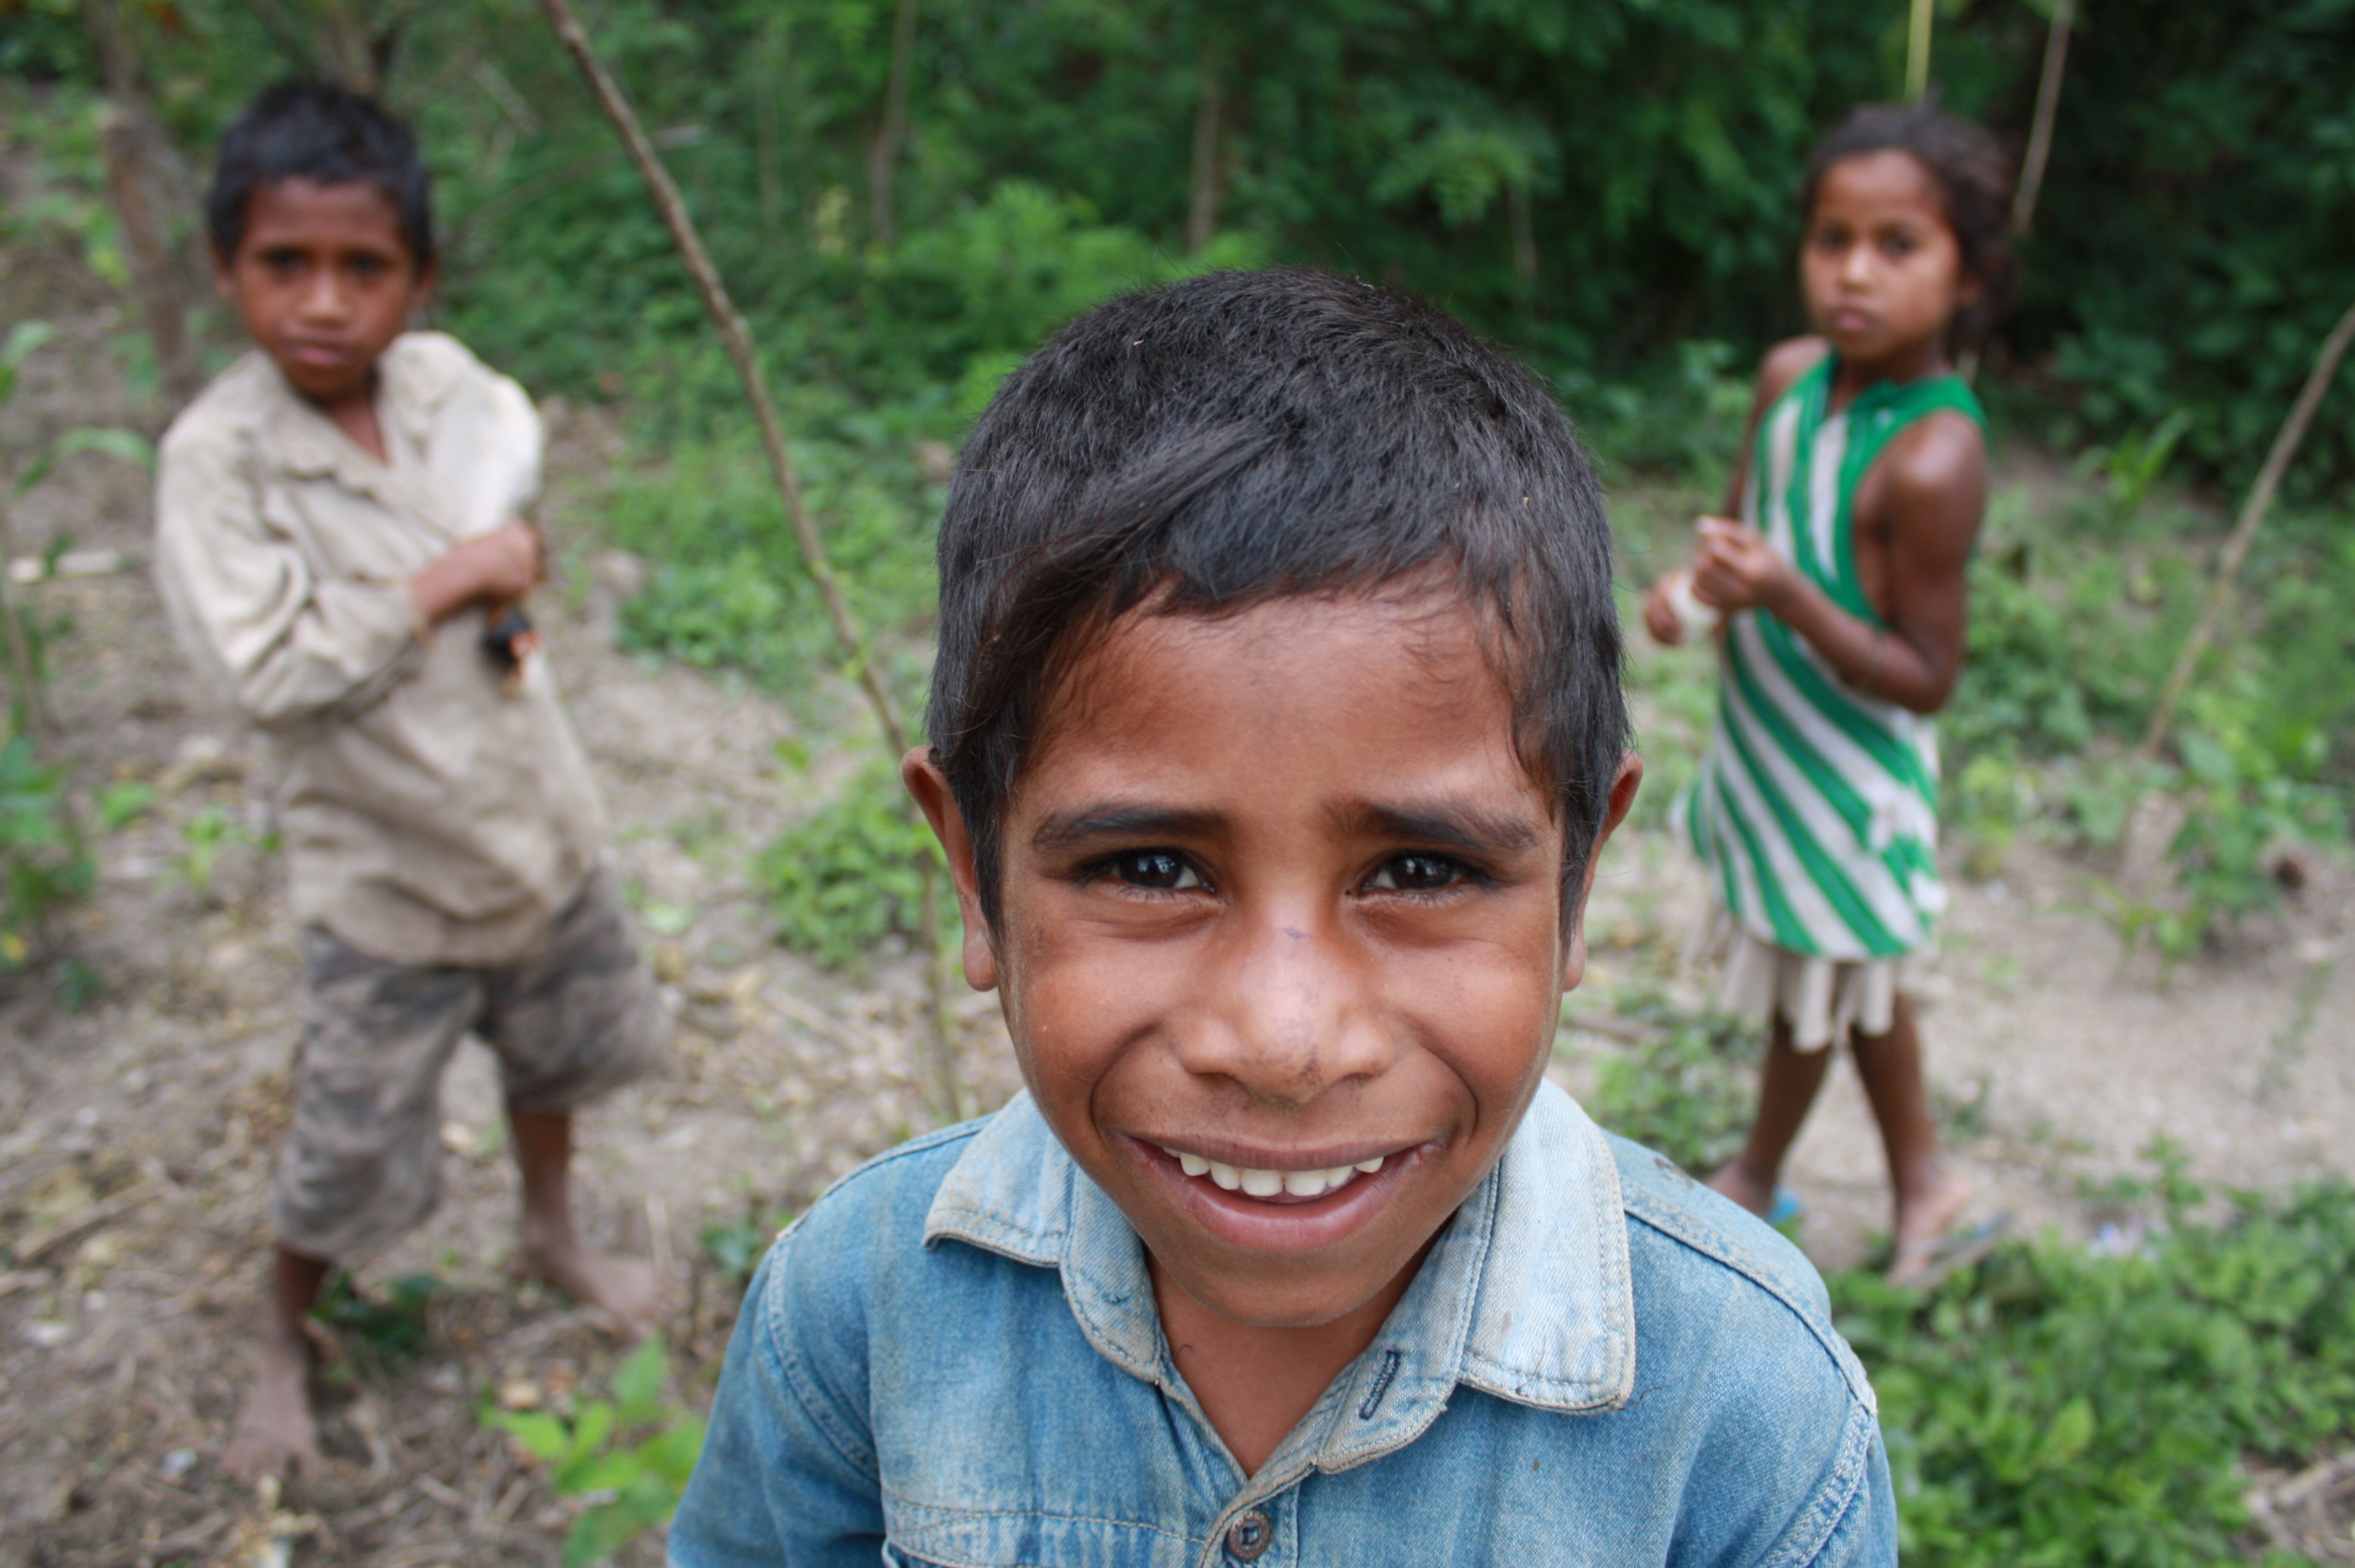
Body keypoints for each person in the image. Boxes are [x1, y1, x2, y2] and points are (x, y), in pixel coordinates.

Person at [667, 268, 1895, 1564]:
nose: (1283, 1038)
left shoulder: (1748, 1417)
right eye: (1150, 868)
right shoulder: (855, 1313)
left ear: (1579, 878)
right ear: (974, 873)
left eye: (1420, 872)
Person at [153, 82, 669, 1482]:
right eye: (283, 265)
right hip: (386, 885)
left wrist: (502, 539)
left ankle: (548, 1228)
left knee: (558, 1057)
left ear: (419, 281)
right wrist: (458, 573)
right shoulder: (220, 463)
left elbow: (506, 436)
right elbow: (270, 672)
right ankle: (282, 1332)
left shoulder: (445, 386)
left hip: (533, 834)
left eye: (363, 267)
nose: (323, 302)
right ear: (226, 270)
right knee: (346, 1149)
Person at [1641, 104, 2013, 1286]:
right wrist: (1692, 597)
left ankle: (1820, 1180)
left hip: (1849, 766)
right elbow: (1744, 537)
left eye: (1898, 245)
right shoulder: (1791, 379)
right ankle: (1860, 1180)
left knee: (1841, 968)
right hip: (1767, 748)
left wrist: (1791, 595)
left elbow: (1927, 675)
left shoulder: (1936, 457)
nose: (1854, 273)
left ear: (1969, 274)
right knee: (1834, 973)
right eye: (1831, 238)